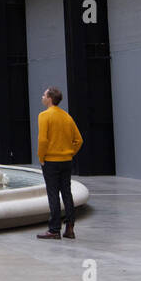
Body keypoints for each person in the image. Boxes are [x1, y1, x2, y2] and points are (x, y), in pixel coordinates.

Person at [36, 86, 82, 240]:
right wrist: (70, 153)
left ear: (49, 98)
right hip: (66, 161)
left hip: (51, 161)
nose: (42, 97)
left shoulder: (44, 116)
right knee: (67, 193)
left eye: (44, 95)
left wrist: (41, 158)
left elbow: (43, 140)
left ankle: (54, 229)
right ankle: (70, 228)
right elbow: (79, 140)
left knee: (53, 194)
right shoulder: (66, 117)